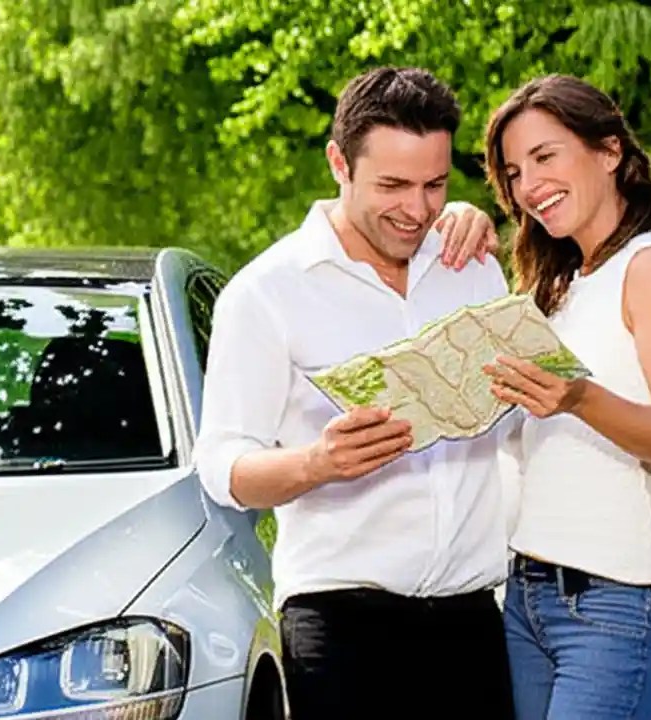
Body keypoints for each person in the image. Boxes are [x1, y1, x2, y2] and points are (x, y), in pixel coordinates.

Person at [194, 66, 516, 719]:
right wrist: (319, 463)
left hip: (471, 622)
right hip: (341, 630)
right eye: (392, 185)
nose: (417, 209)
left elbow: (511, 423)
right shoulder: (266, 294)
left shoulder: (470, 265)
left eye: (435, 184)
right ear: (338, 162)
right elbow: (223, 467)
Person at [481, 74, 651, 719]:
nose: (529, 186)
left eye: (546, 157)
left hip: (614, 607)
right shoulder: (558, 289)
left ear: (609, 151)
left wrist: (580, 398)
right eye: (513, 172)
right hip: (527, 595)